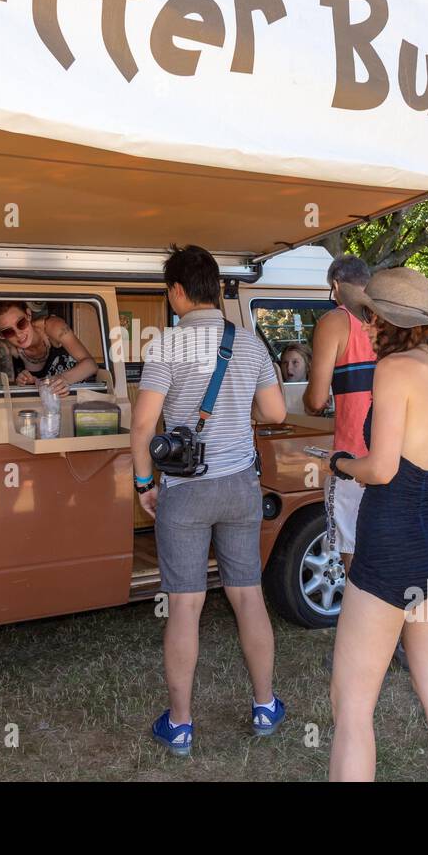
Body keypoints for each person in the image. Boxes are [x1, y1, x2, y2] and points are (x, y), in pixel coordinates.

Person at [326, 267, 428, 782]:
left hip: (389, 545)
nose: (366, 326)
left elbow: (382, 469)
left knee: (351, 707)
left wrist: (338, 463)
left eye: (370, 317)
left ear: (389, 321)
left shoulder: (394, 369)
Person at [130, 245, 288, 756]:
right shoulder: (248, 342)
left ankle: (180, 724)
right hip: (240, 485)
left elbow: (141, 426)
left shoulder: (167, 346)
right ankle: (264, 704)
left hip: (186, 491)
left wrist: (142, 484)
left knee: (185, 606)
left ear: (176, 291)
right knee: (247, 595)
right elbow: (275, 411)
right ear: (217, 288)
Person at [303, 255, 375, 578]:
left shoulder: (335, 321)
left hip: (351, 460)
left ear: (335, 286)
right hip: (396, 459)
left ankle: (362, 627)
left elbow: (316, 400)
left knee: (356, 565)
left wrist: (306, 399)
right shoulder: (391, 321)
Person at [0, 301, 98, 395]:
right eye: (8, 331)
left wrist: (64, 378)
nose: (18, 334)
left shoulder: (53, 327)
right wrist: (28, 382)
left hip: (81, 400)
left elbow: (91, 365)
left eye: (21, 323)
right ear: (2, 335)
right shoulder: (10, 351)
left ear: (28, 315)